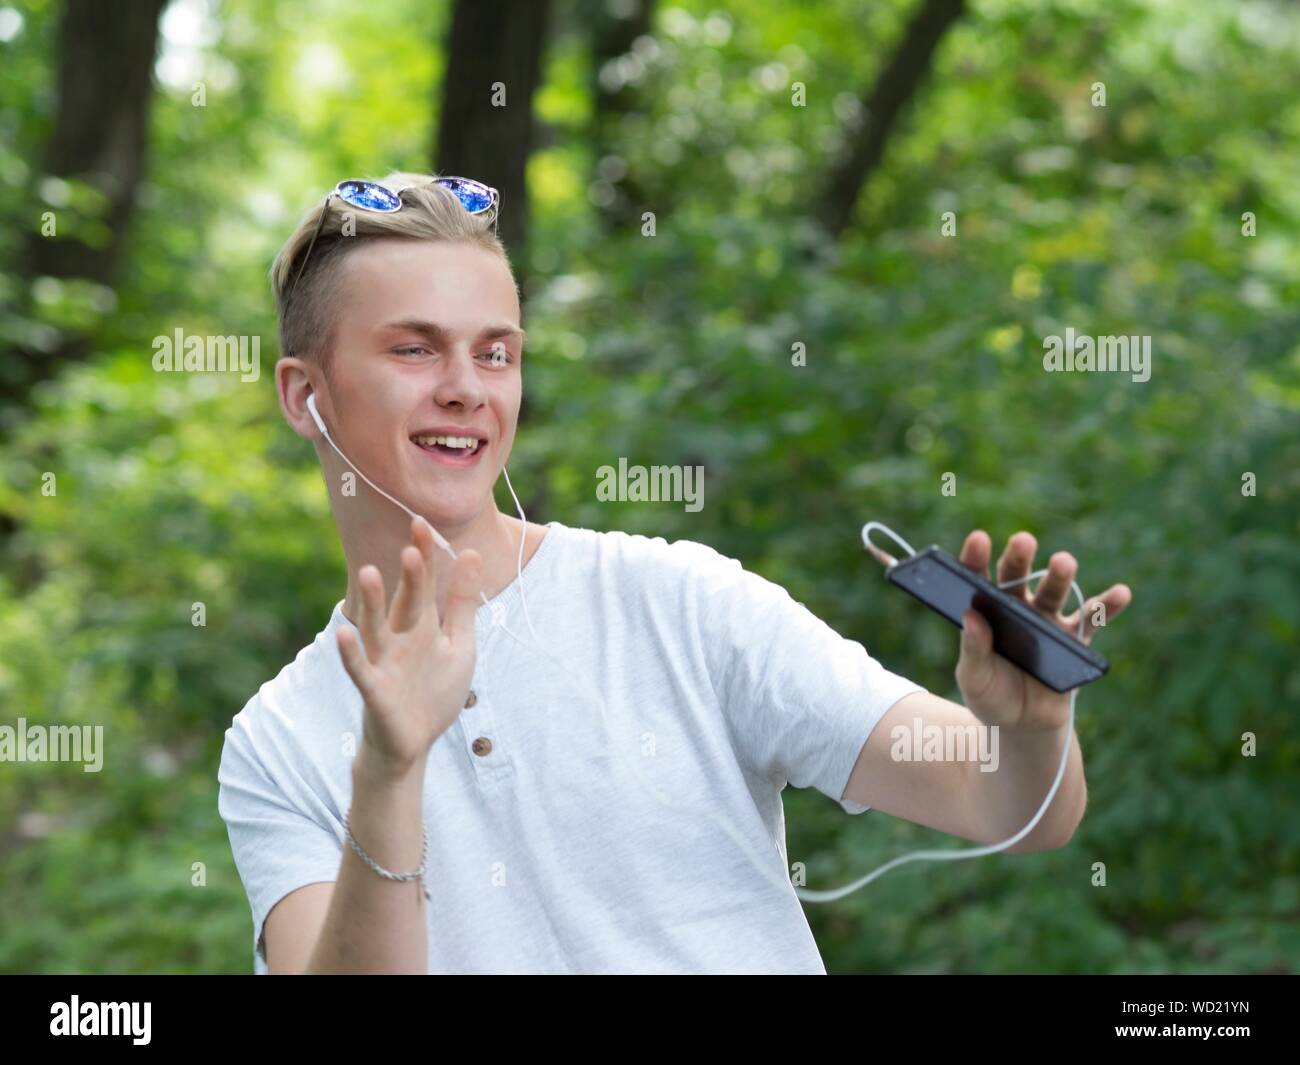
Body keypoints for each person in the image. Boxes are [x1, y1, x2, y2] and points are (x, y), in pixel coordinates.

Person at [217, 171, 1130, 975]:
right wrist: (389, 768)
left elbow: (1016, 807)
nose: (468, 386)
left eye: (496, 351)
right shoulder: (278, 740)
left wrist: (1031, 731)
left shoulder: (678, 602)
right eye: (415, 348)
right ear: (305, 395)